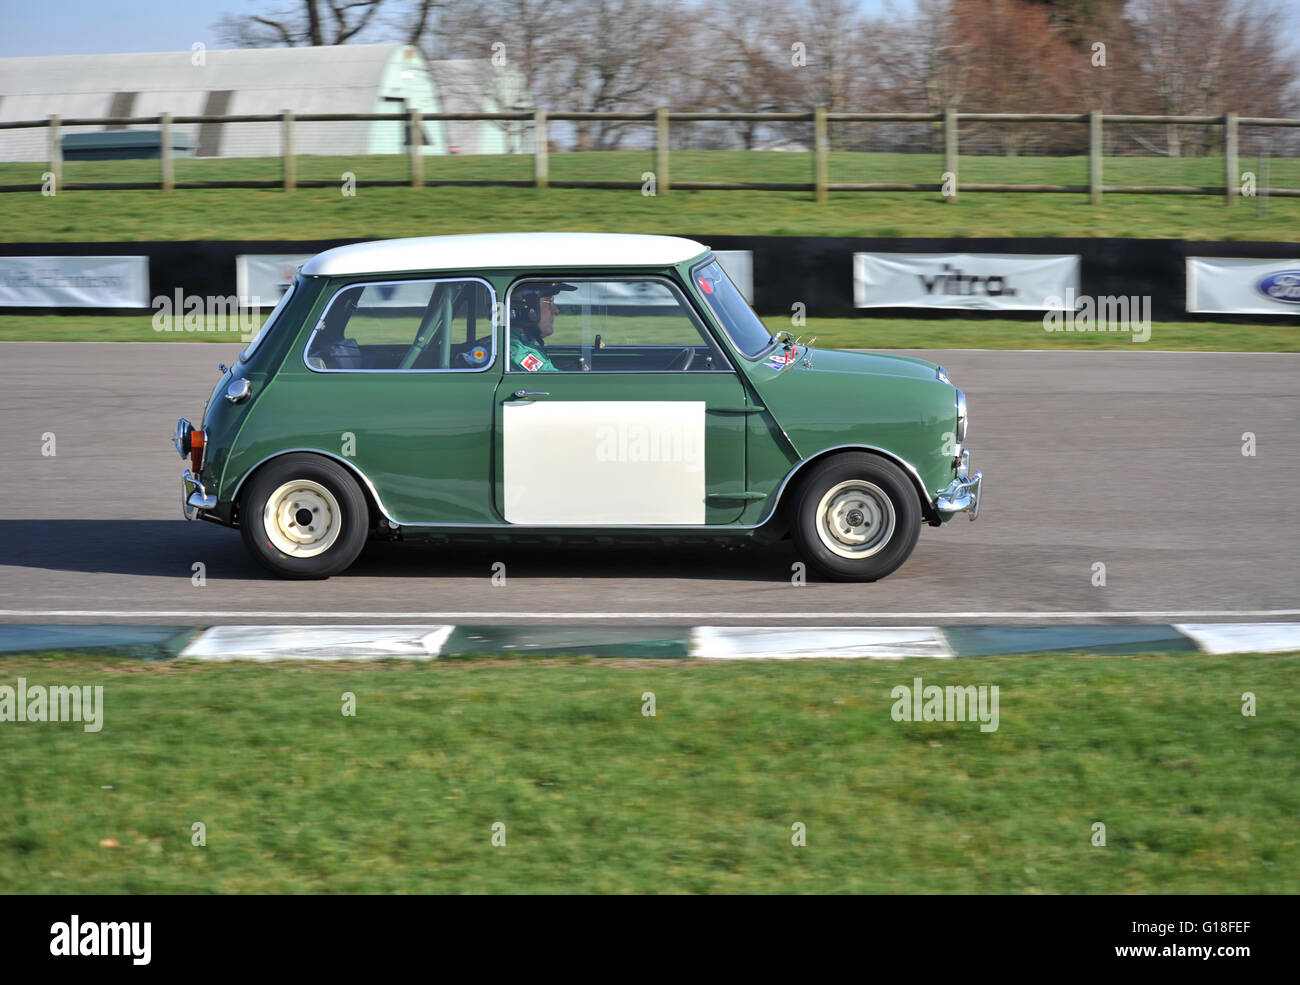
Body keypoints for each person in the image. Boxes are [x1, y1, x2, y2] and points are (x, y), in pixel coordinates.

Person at [509, 282, 575, 372]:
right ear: (527, 309)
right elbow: (558, 380)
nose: (556, 310)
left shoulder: (525, 343)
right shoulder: (517, 351)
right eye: (548, 301)